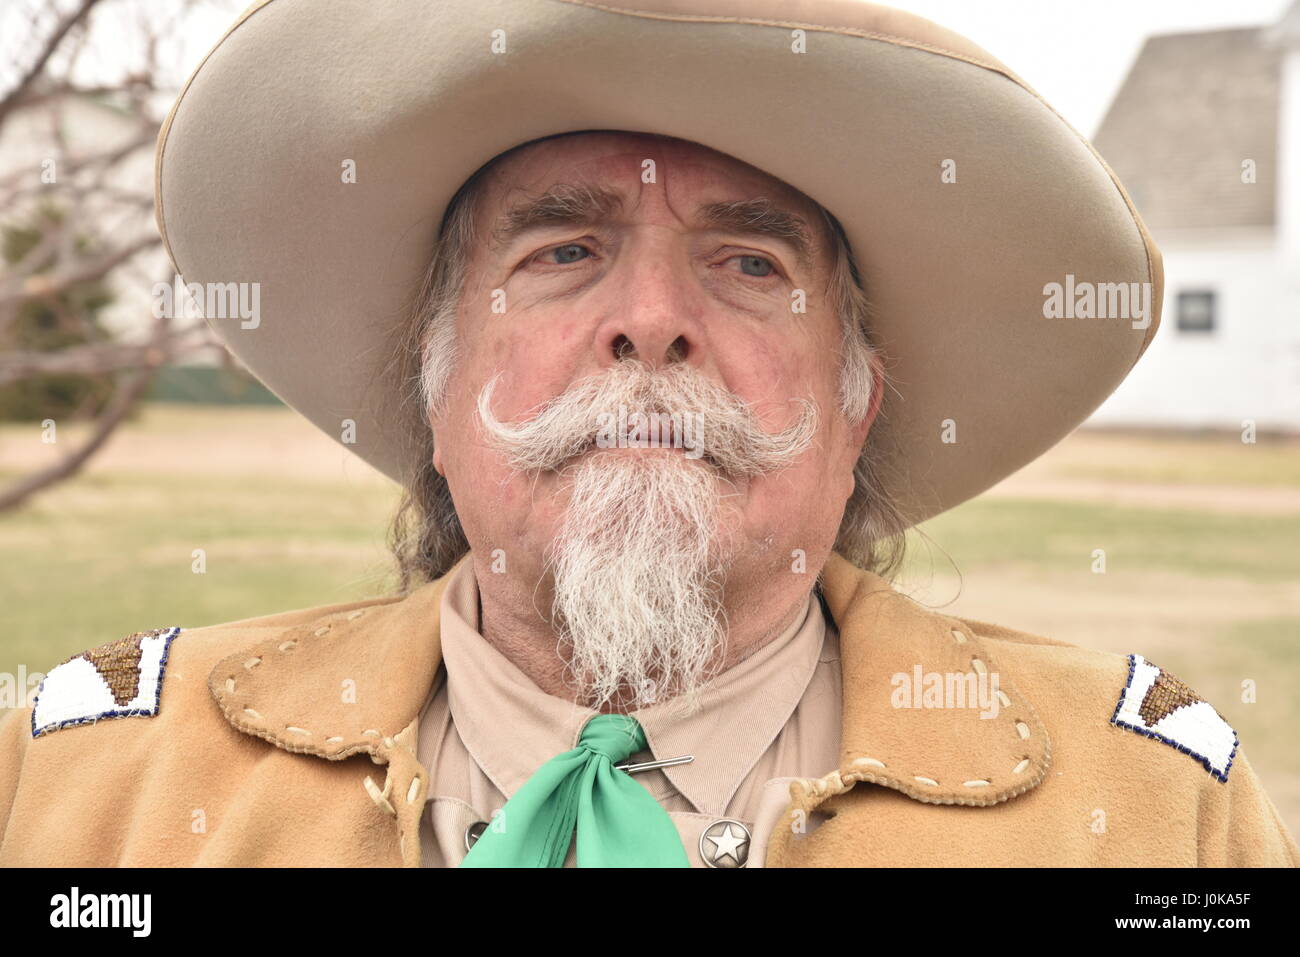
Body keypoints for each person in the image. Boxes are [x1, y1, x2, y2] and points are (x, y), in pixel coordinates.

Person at [2, 0, 1295, 868]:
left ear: (858, 409)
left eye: (746, 262)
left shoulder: (1156, 819)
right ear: (435, 390)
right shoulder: (82, 795)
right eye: (565, 250)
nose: (654, 320)